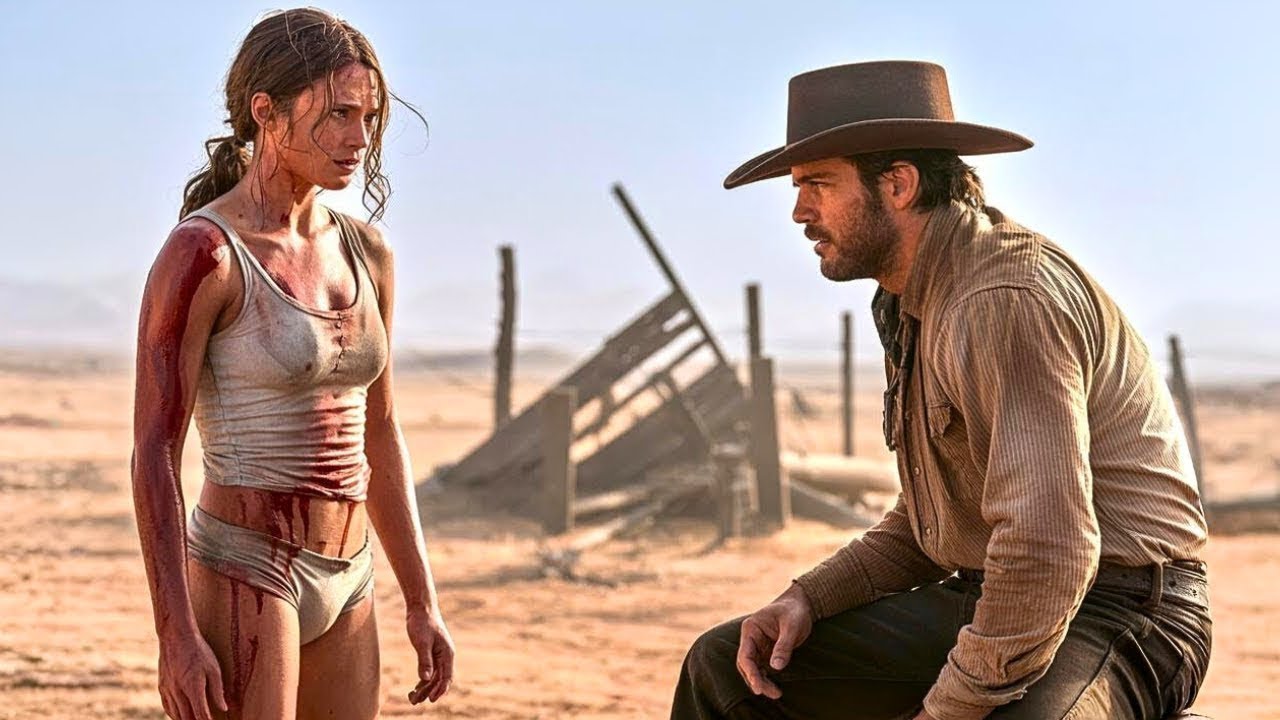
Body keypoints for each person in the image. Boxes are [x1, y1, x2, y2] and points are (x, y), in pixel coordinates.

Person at [671, 61, 1211, 720]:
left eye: (818, 184)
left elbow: (1049, 551)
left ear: (898, 184)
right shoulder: (912, 301)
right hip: (994, 591)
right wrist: (806, 598)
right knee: (724, 668)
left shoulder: (1002, 300)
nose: (799, 212)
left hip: (1125, 613)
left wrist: (946, 711)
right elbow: (930, 521)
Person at [130, 9, 453, 719]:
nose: (359, 139)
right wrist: (174, 634)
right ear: (265, 112)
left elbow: (380, 431)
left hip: (351, 572)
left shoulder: (368, 252)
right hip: (245, 565)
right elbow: (154, 450)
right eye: (339, 113)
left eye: (368, 117)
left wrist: (420, 599)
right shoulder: (205, 254)